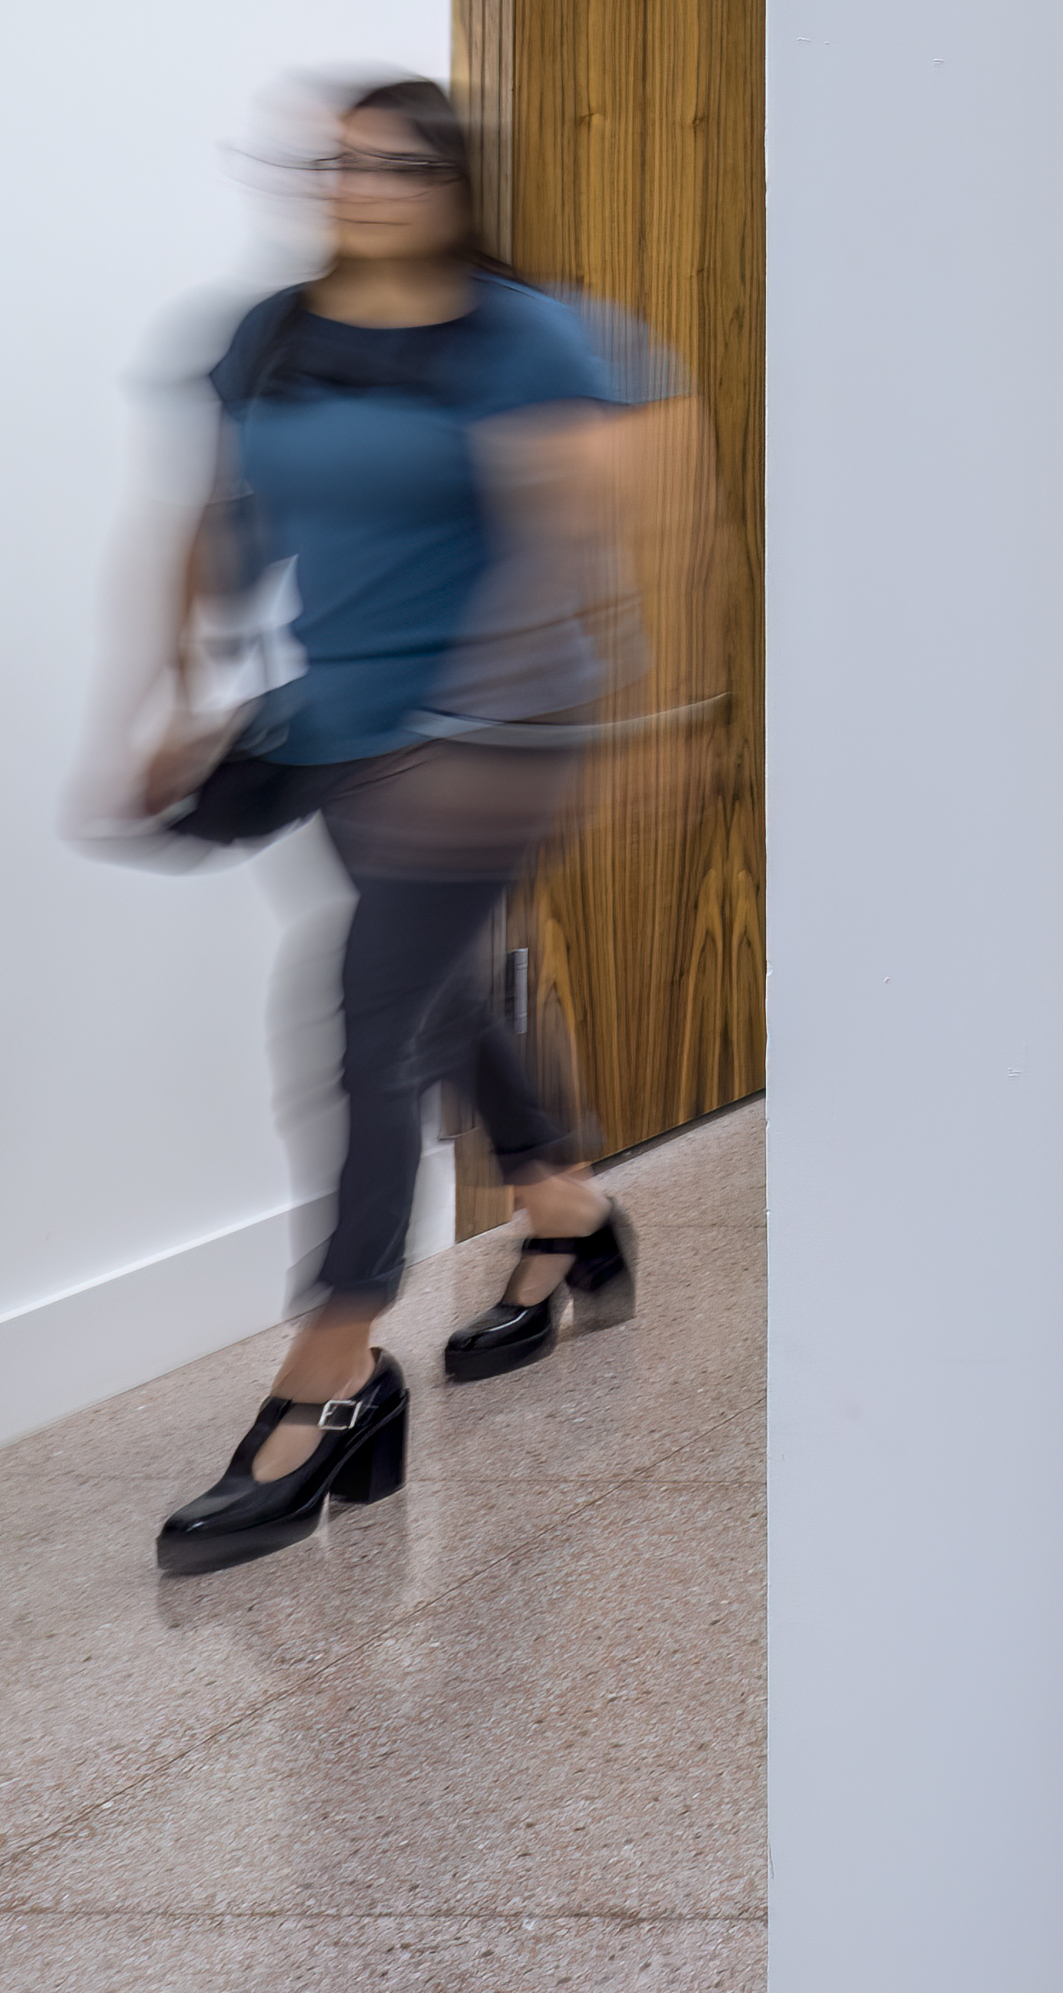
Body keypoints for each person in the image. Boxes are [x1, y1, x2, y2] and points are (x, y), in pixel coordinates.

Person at [118, 78, 705, 1577]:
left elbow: (559, 541)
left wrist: (480, 724)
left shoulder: (521, 335)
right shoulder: (271, 333)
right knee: (432, 995)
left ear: (450, 179)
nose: (359, 182)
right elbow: (218, 511)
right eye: (336, 159)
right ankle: (568, 1212)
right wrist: (178, 688)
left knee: (364, 1022)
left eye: (393, 161)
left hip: (494, 734)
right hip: (334, 726)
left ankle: (332, 1374)